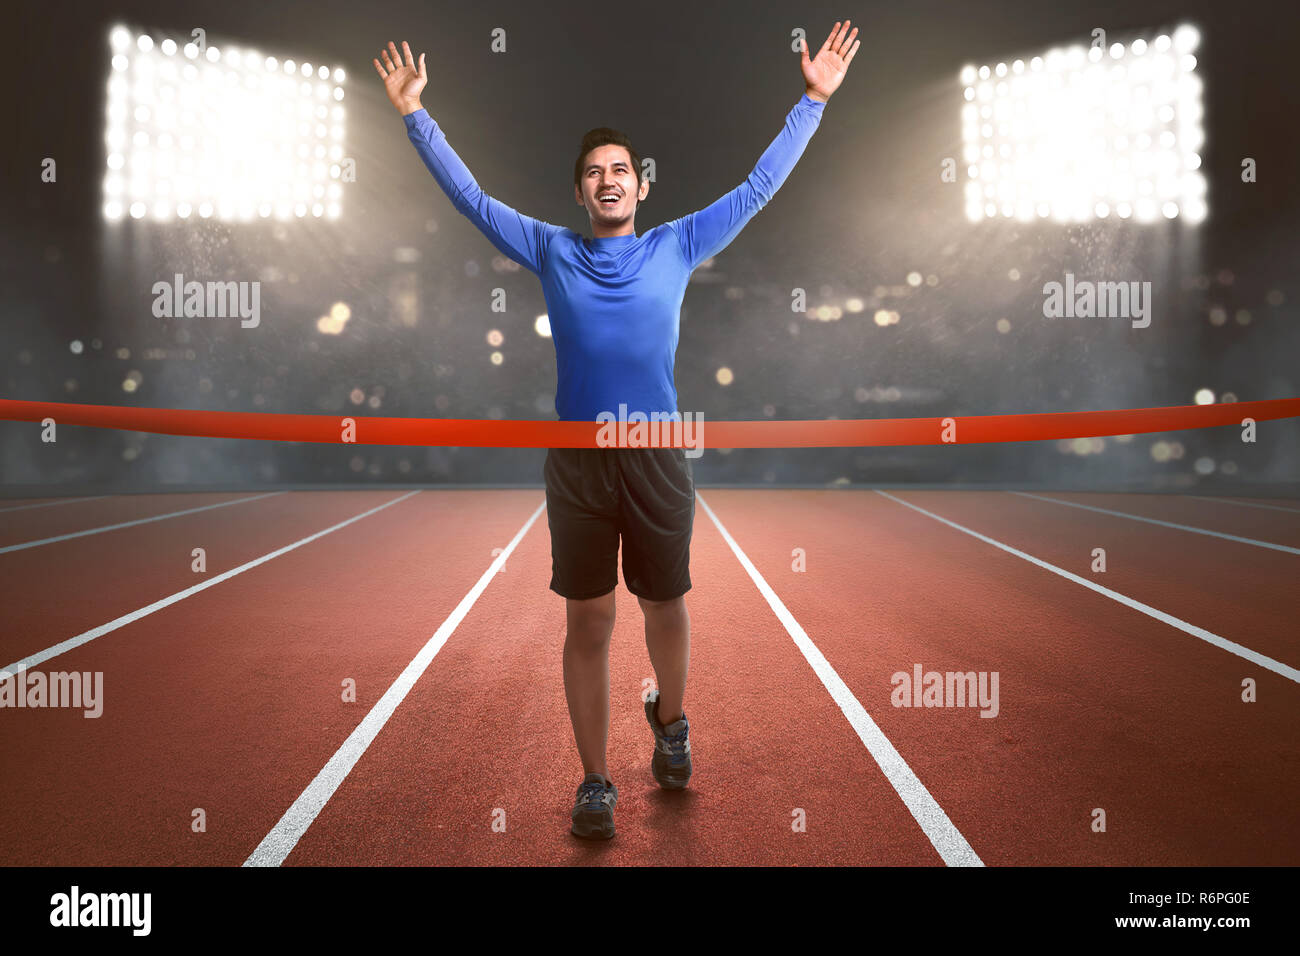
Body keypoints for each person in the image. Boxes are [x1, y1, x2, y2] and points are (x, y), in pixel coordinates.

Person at [373, 22, 859, 840]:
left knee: (665, 602)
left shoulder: (678, 243)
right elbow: (469, 198)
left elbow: (757, 188)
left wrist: (812, 102)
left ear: (640, 189)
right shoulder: (551, 249)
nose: (609, 180)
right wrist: (417, 116)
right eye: (594, 172)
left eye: (621, 171)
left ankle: (671, 725)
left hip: (659, 451)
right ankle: (595, 780)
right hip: (579, 461)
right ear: (579, 194)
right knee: (588, 620)